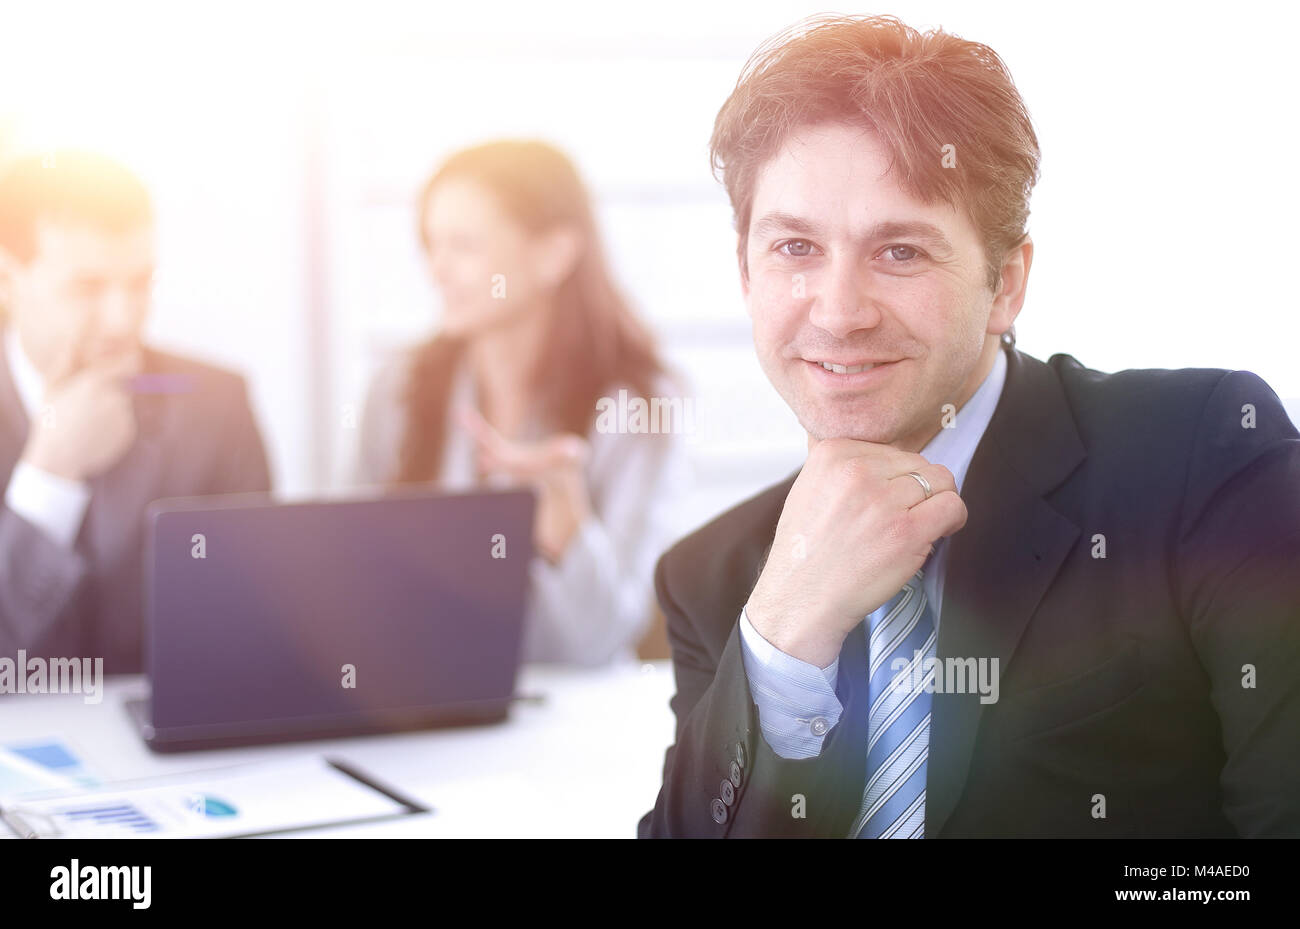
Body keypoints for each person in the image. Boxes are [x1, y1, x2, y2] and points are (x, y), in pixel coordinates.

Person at [639, 14, 1299, 838]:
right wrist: (780, 638)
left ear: (1007, 284)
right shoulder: (714, 578)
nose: (839, 313)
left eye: (901, 251)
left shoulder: (1205, 455)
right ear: (745, 272)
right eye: (796, 247)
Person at [356, 140, 687, 667]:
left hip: (573, 721)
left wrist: (566, 524)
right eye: (430, 245)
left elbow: (602, 640)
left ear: (553, 254)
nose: (436, 269)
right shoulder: (396, 389)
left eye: (463, 246)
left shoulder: (638, 407)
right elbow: (353, 582)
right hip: (423, 703)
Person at [0, 151, 271, 675]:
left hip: (166, 747)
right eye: (88, 287)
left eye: (139, 283)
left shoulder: (216, 405)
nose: (122, 319)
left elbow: (252, 623)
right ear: (8, 280)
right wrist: (49, 475)